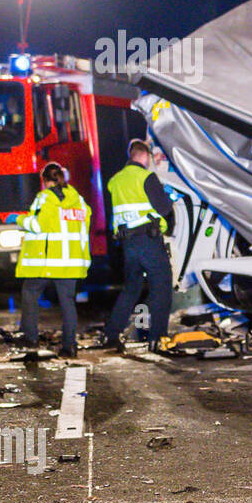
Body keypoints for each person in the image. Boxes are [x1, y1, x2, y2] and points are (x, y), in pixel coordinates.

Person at [8, 162, 91, 357]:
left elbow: (38, 225)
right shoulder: (78, 200)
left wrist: (18, 219)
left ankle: (30, 338)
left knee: (30, 293)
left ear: (45, 180)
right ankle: (69, 346)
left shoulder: (45, 197)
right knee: (68, 303)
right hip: (71, 264)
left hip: (47, 263)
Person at [102, 139, 175, 352]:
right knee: (161, 286)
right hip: (148, 239)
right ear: (145, 157)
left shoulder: (115, 180)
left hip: (127, 243)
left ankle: (112, 333)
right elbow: (163, 208)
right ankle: (157, 338)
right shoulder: (146, 177)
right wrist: (169, 195)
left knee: (131, 288)